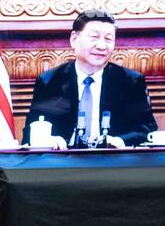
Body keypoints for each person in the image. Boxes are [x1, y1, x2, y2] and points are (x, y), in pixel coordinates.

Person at [20, 9, 157, 148]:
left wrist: (119, 141)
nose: (102, 46)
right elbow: (30, 133)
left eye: (108, 39)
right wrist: (50, 140)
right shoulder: (50, 81)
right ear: (74, 39)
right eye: (94, 37)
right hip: (64, 163)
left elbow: (148, 130)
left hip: (113, 162)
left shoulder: (130, 82)